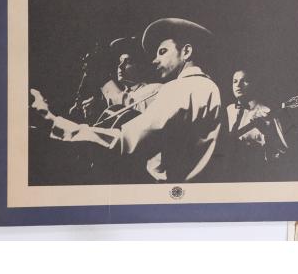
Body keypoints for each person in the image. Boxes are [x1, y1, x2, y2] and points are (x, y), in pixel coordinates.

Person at [31, 18, 222, 183]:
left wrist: (52, 122)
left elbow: (126, 142)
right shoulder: (210, 87)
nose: (154, 60)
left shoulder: (179, 88)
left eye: (162, 51)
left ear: (186, 51)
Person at [226, 69, 287, 180]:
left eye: (244, 81)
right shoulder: (229, 110)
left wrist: (268, 133)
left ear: (254, 84)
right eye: (235, 81)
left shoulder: (266, 111)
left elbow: (282, 149)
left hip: (256, 173)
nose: (238, 85)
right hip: (231, 172)